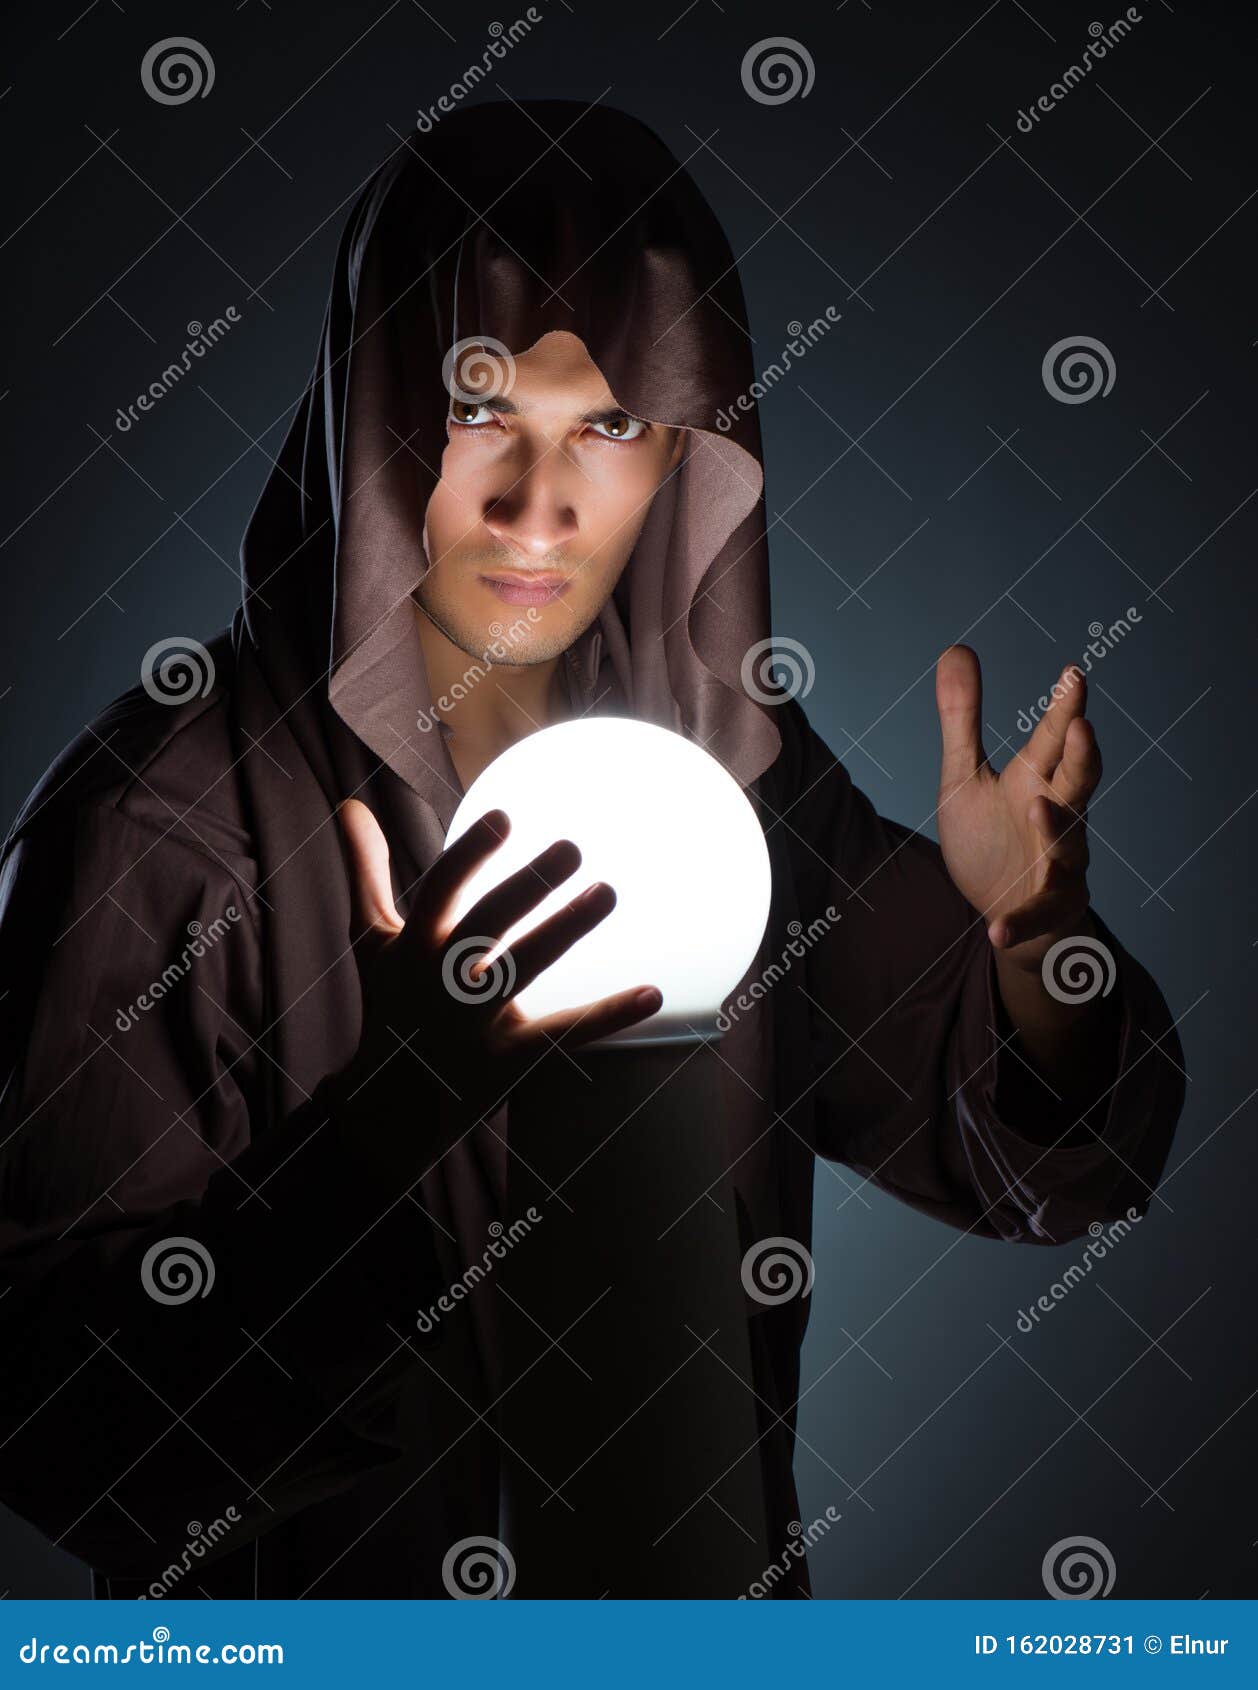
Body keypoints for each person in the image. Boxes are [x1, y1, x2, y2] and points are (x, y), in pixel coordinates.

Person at [0, 100, 1183, 1599]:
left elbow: (1020, 1133)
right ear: (377, 414)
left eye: (610, 425)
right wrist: (380, 1131)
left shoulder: (705, 782)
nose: (539, 502)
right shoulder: (162, 826)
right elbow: (56, 1416)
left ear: (686, 446)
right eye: (482, 405)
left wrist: (1032, 953)